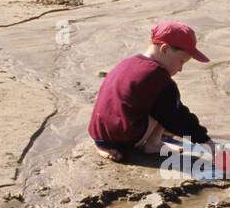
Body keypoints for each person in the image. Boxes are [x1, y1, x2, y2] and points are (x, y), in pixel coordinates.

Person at [89, 22, 215, 163]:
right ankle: (152, 144)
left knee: (156, 100)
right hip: (124, 138)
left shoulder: (129, 62)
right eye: (181, 61)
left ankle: (103, 146)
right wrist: (206, 141)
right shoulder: (157, 77)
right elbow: (177, 117)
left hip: (99, 134)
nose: (180, 69)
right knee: (168, 103)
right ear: (165, 49)